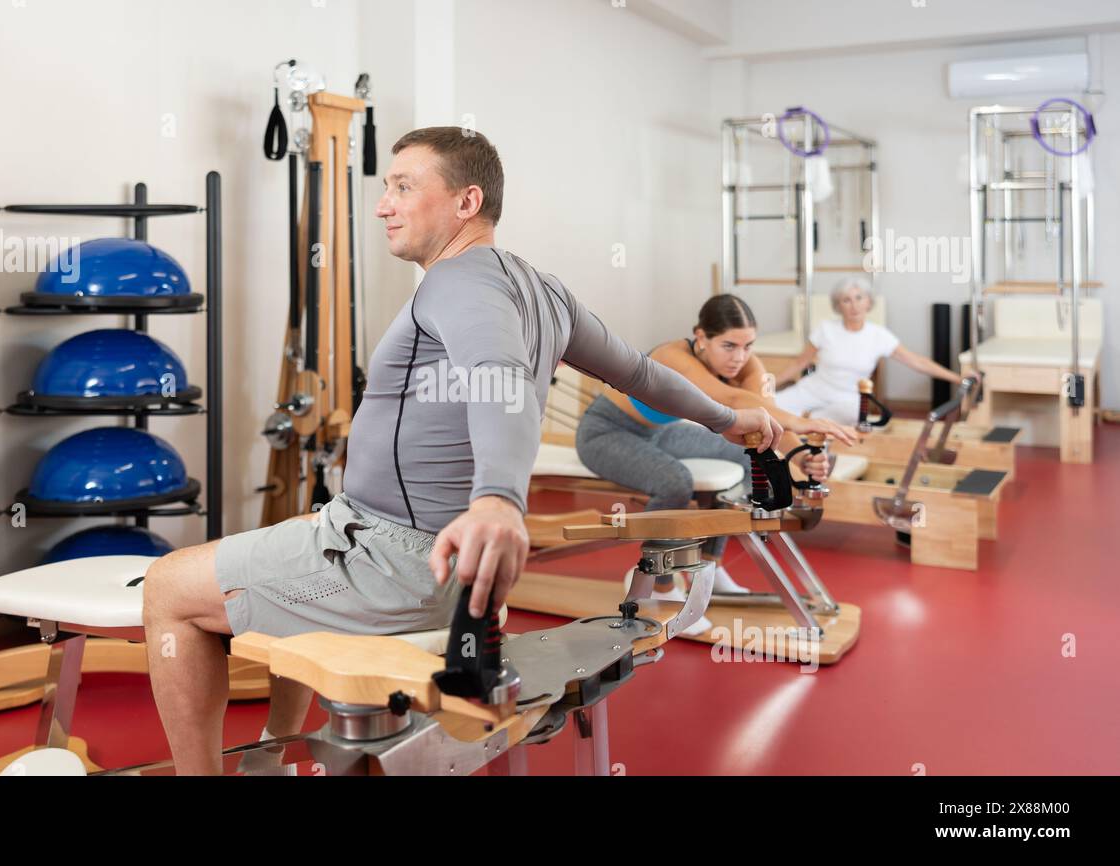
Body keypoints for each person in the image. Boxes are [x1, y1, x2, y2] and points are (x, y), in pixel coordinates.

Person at [140, 127, 782, 774]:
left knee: (167, 588)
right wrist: (729, 418)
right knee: (296, 532)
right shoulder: (541, 288)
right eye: (385, 187)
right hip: (393, 541)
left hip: (396, 558)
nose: (384, 204)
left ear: (466, 202)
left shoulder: (459, 284)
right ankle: (276, 755)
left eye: (403, 187)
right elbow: (642, 375)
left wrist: (500, 499)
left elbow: (498, 378)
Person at [576, 294, 858, 635]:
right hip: (605, 433)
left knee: (741, 457)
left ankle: (709, 567)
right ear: (701, 337)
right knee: (674, 482)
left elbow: (763, 415)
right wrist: (801, 422)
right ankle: (661, 584)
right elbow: (734, 400)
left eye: (748, 346)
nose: (740, 357)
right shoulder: (671, 356)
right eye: (728, 346)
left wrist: (801, 459)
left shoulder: (747, 364)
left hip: (658, 433)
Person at [774, 277, 970, 426]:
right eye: (846, 300)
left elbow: (917, 362)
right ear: (838, 306)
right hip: (813, 390)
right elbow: (799, 364)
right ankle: (805, 418)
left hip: (848, 400)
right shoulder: (825, 329)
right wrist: (765, 386)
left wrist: (957, 378)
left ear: (868, 302)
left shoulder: (879, 336)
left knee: (844, 419)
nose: (854, 305)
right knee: (770, 407)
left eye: (859, 298)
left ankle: (809, 419)